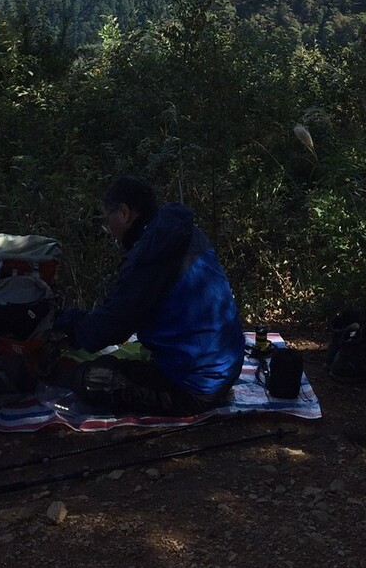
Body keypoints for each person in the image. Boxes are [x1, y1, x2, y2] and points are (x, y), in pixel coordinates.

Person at [50, 177, 245, 416]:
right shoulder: (181, 232)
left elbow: (107, 329)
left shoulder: (150, 254)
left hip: (195, 387)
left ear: (123, 213)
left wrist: (61, 322)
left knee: (91, 378)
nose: (108, 228)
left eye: (107, 219)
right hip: (227, 366)